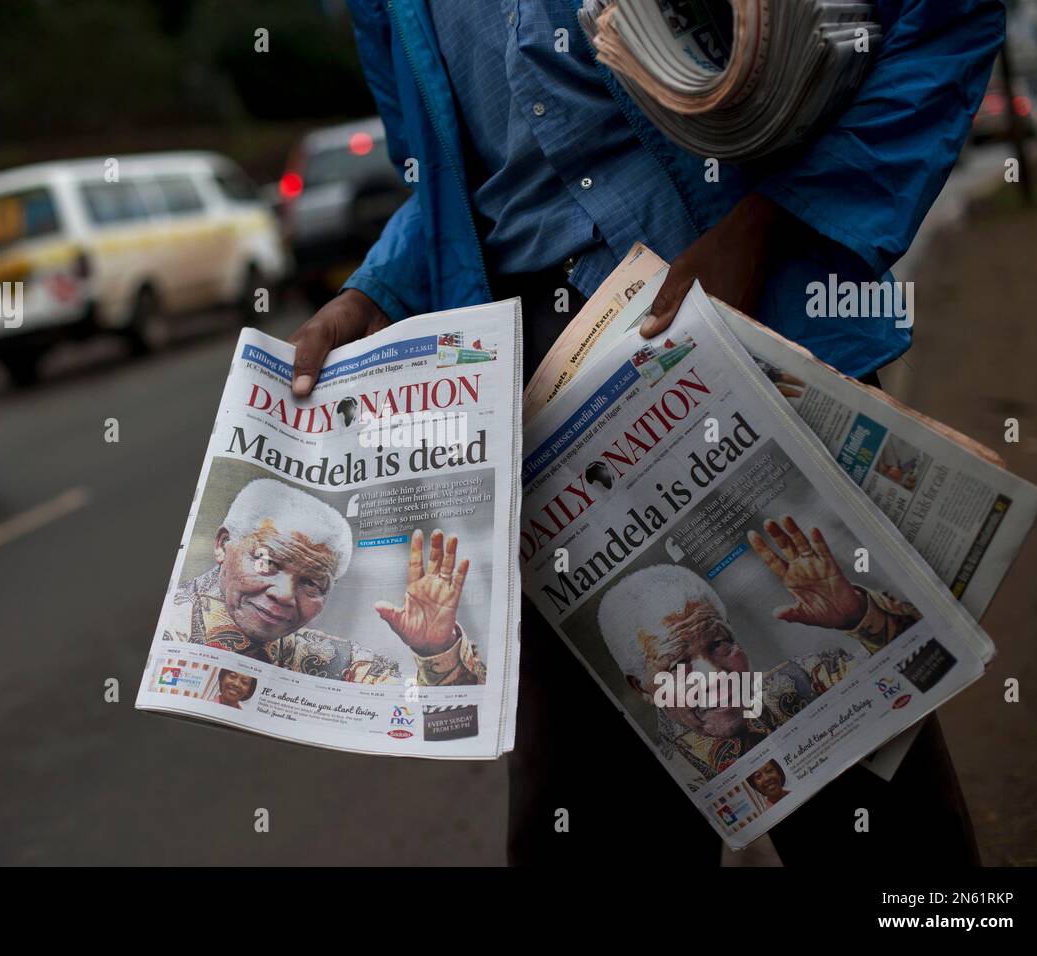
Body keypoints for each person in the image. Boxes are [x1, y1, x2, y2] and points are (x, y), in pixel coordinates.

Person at [288, 0, 998, 865]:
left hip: (748, 335)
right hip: (541, 416)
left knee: (862, 786)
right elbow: (449, 183)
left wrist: (767, 223)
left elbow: (942, 20)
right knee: (589, 816)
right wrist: (375, 294)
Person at [597, 516, 921, 789]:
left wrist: (860, 616)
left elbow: (924, 672)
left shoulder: (808, 678)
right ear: (642, 687)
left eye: (718, 644)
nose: (714, 677)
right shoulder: (677, 777)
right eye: (678, 666)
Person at [168, 478, 485, 686]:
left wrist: (437, 649)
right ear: (223, 544)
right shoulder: (168, 625)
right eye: (266, 562)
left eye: (311, 584)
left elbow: (448, 719)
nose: (283, 595)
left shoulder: (330, 659)